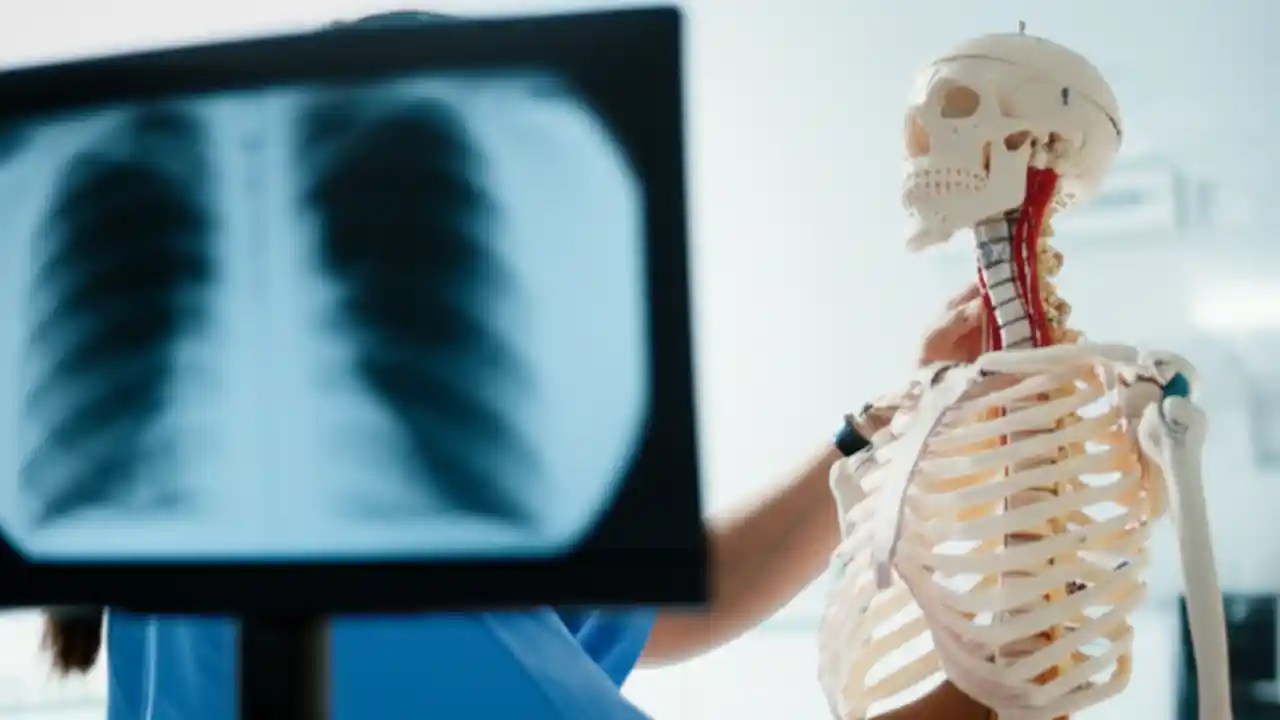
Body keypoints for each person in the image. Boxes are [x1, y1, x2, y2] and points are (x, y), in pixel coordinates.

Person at [40, 11, 992, 720]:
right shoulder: (347, 573)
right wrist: (1001, 681)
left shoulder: (383, 532)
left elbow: (683, 600)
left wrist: (888, 425)